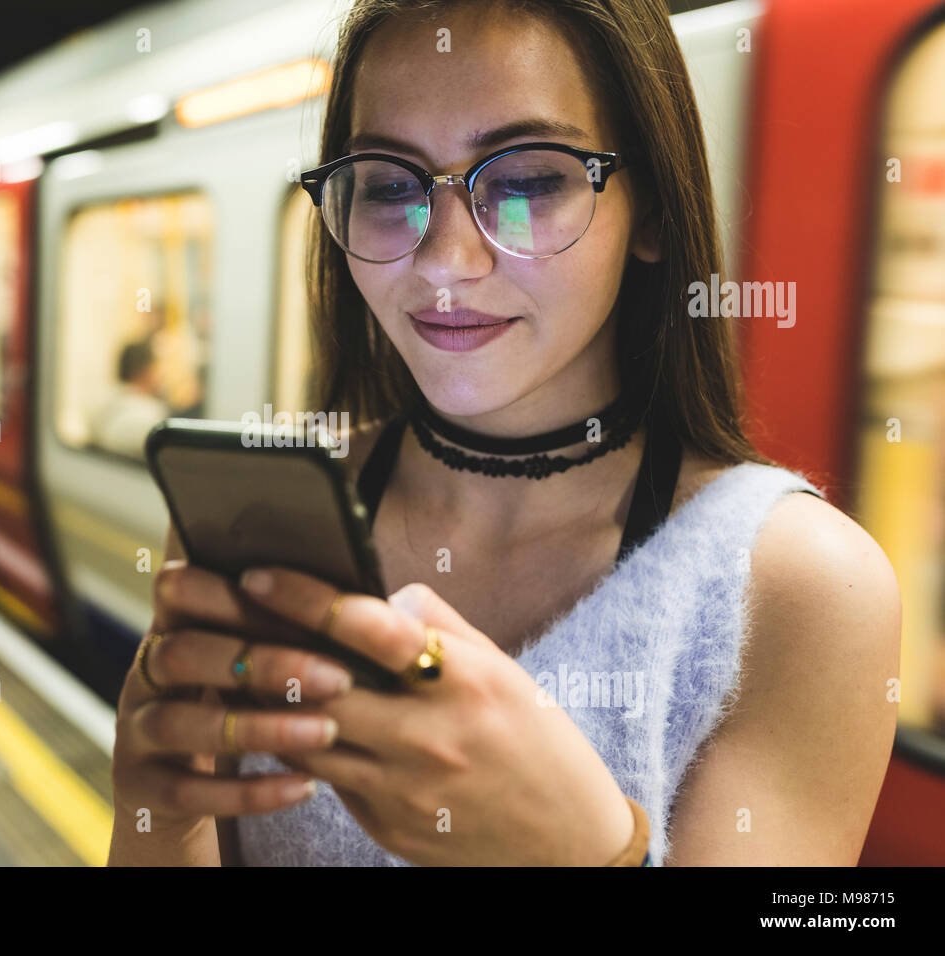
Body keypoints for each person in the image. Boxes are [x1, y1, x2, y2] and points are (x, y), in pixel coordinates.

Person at [108, 0, 901, 866]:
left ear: (652, 214)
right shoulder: (258, 519)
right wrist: (159, 812)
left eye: (527, 181)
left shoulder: (801, 589)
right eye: (388, 185)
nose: (447, 260)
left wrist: (587, 850)